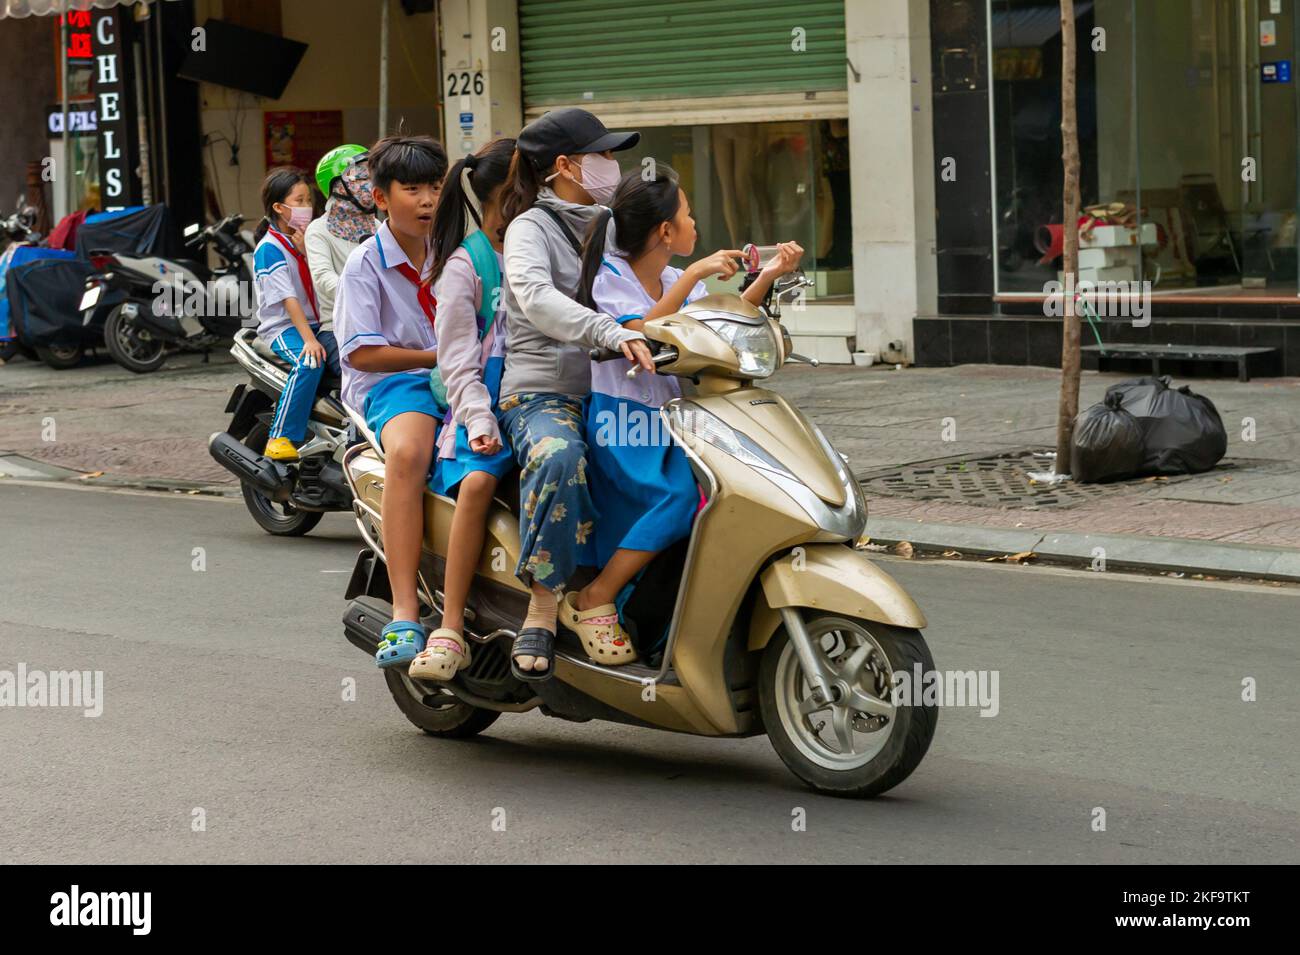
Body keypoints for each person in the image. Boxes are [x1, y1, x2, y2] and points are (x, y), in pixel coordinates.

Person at [576, 166, 804, 651]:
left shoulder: (676, 278)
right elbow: (641, 330)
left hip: (675, 418)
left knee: (722, 495)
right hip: (622, 422)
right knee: (680, 498)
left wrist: (767, 275)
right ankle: (596, 596)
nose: (694, 223)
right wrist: (699, 271)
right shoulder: (610, 277)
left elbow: (720, 321)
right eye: (688, 213)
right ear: (665, 231)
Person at [496, 107, 652, 681]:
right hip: (544, 394)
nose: (614, 166)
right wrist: (611, 331)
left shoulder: (611, 221)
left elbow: (662, 267)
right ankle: (542, 606)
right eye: (604, 155)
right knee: (560, 456)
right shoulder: (528, 229)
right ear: (565, 166)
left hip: (621, 388)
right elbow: (535, 298)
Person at [333, 135, 449, 670]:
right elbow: (362, 354)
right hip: (394, 382)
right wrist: (435, 357)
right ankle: (405, 609)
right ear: (381, 198)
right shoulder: (364, 265)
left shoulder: (455, 252)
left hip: (456, 374)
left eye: (435, 186)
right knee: (409, 452)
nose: (427, 200)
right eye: (412, 189)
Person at [408, 137, 518, 681]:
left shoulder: (547, 250)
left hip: (542, 398)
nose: (515, 215)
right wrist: (478, 419)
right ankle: (450, 627)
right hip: (479, 402)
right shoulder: (465, 265)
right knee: (477, 485)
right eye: (511, 200)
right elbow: (455, 361)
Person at [252, 166, 339, 461]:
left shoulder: (308, 240)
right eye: (299, 201)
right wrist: (309, 341)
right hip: (284, 328)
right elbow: (289, 299)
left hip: (319, 321)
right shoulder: (270, 248)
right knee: (310, 362)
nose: (307, 207)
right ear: (279, 207)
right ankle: (280, 437)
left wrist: (305, 253)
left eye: (308, 201)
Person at [305, 144, 377, 334]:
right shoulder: (318, 230)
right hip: (338, 327)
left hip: (380, 322)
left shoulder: (377, 226)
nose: (369, 186)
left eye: (372, 178)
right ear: (337, 186)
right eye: (360, 178)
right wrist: (366, 293)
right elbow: (322, 277)